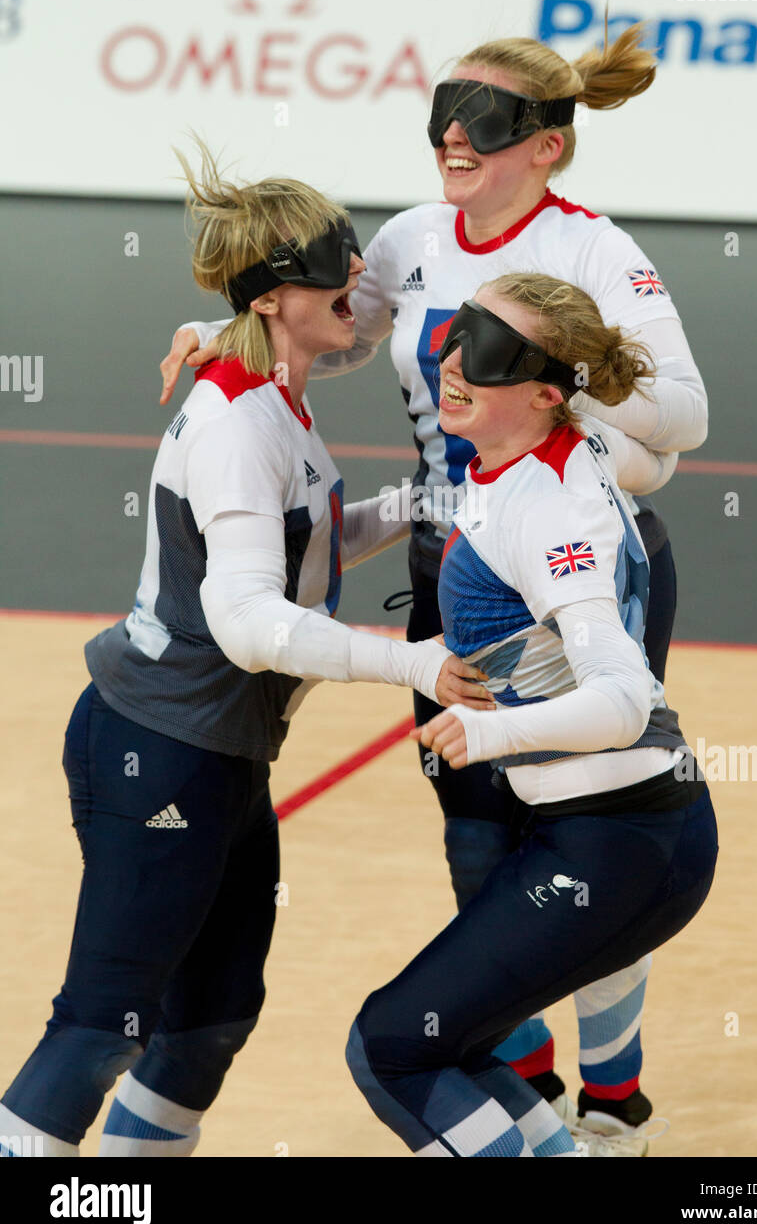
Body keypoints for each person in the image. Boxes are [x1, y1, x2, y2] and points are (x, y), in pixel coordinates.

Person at [158, 21, 708, 1140]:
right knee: (477, 844)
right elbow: (323, 328)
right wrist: (228, 336)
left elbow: (684, 419)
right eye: (444, 112)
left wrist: (556, 378)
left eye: (486, 120)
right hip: (451, 557)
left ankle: (614, 1102)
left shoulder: (596, 250)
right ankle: (527, 1084)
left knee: (587, 821)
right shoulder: (412, 238)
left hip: (566, 553)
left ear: (546, 146)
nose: (453, 136)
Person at [0, 144, 490, 1158]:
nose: (355, 278)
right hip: (157, 746)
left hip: (221, 756)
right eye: (331, 269)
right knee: (101, 1024)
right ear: (273, 299)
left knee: (210, 1019)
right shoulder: (236, 423)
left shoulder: (276, 392)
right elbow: (252, 623)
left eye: (354, 257)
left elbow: (303, 541)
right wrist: (407, 663)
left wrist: (424, 502)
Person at [345, 274, 718, 1157]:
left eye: (486, 350)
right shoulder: (558, 443)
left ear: (546, 392)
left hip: (622, 839)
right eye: (457, 333)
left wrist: (489, 731)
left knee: (392, 1048)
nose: (451, 363)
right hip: (617, 830)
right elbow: (656, 457)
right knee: (440, 1036)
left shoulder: (552, 510)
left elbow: (626, 700)